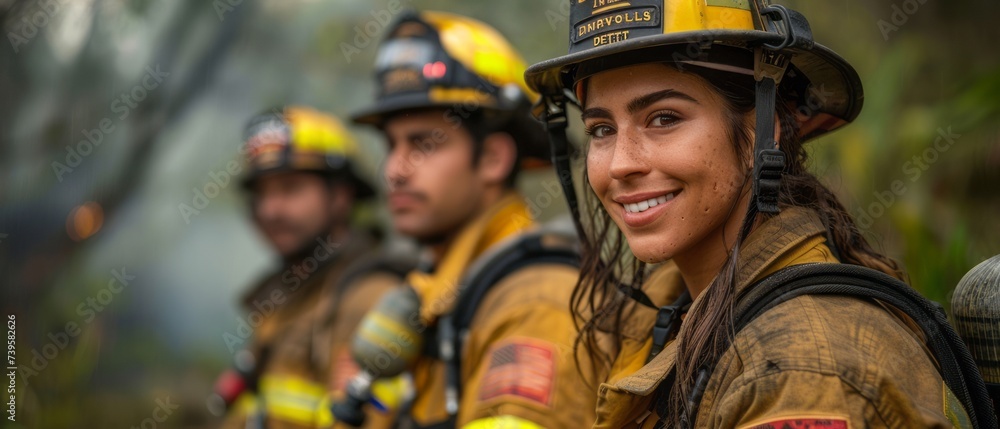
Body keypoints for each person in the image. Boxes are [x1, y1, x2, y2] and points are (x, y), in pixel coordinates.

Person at [524, 1, 996, 428]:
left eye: (664, 118)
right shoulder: (667, 312)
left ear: (759, 133)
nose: (620, 164)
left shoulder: (802, 373)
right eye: (601, 129)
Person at [346, 10, 597, 429]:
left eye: (423, 144)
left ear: (494, 159)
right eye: (391, 146)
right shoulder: (442, 293)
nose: (394, 170)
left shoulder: (536, 302)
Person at [217, 106, 409, 429]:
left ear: (340, 197)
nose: (270, 209)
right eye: (262, 193)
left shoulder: (370, 300)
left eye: (290, 188)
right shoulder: (285, 297)